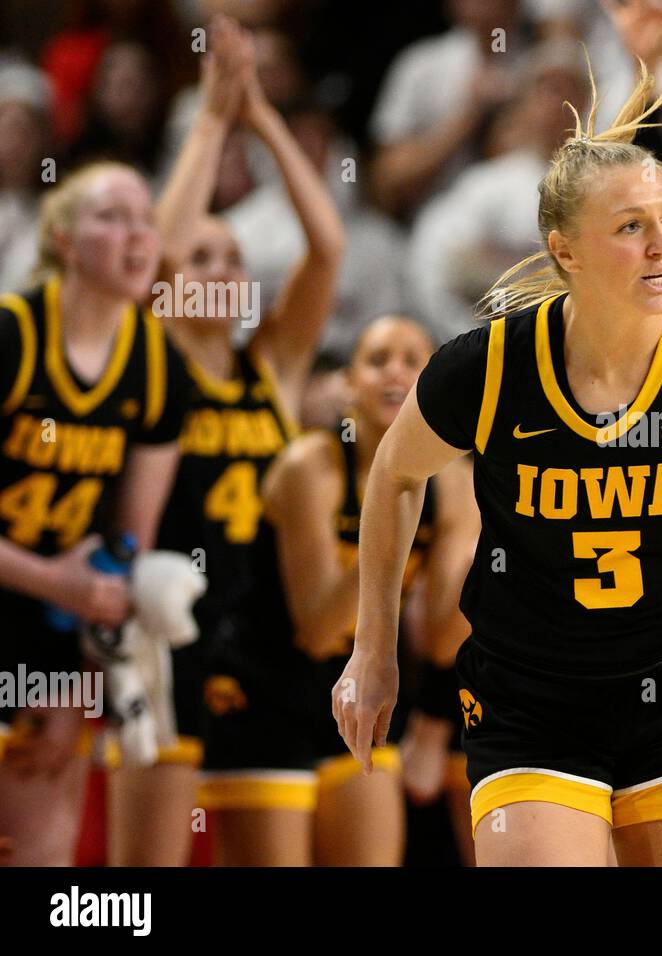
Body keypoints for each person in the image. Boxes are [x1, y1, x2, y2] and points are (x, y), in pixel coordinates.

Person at [334, 62, 662, 867]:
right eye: (630, 226)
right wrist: (374, 650)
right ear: (565, 250)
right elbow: (394, 474)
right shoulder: (487, 367)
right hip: (532, 702)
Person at [105, 17, 345, 866]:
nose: (219, 272)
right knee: (149, 872)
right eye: (201, 261)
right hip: (168, 626)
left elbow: (327, 246)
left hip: (268, 631)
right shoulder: (155, 357)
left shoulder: (272, 364)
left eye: (233, 258)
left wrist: (263, 118)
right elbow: (157, 255)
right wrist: (210, 120)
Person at [201, 315, 476, 866]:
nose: (395, 372)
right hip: (263, 686)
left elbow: (446, 640)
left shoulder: (453, 480)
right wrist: (390, 517)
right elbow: (316, 625)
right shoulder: (311, 465)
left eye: (412, 360)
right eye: (377, 360)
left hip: (361, 690)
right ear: (348, 384)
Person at [0, 160, 189, 865]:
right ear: (65, 242)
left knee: (41, 852)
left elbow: (124, 552)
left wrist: (77, 678)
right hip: (38, 588)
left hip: (48, 634)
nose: (136, 232)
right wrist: (55, 582)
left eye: (145, 218)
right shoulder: (12, 336)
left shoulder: (159, 367)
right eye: (111, 216)